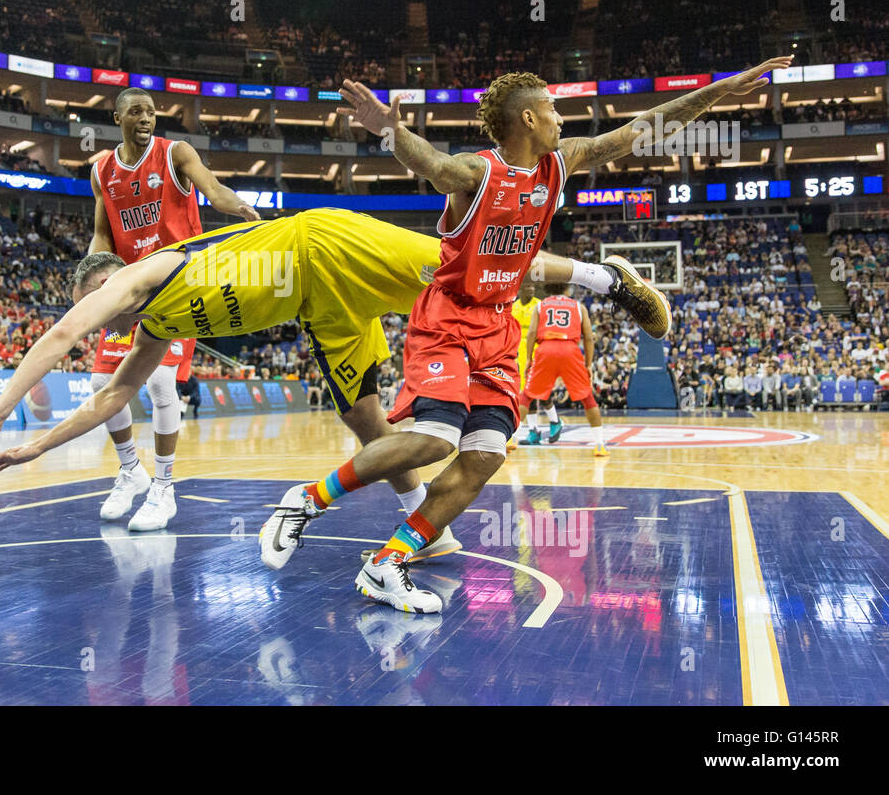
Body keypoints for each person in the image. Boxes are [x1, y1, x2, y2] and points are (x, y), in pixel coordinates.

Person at [255, 56, 784, 614]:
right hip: (447, 319)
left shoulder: (562, 162)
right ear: (528, 119)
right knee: (437, 438)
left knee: (484, 455)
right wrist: (389, 130)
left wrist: (719, 89)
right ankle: (304, 502)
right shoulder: (477, 174)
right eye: (552, 108)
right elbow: (433, 163)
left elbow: (644, 128)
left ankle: (386, 563)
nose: (561, 116)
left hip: (499, 325)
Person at [0, 207, 667, 561]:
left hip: (326, 245)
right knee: (368, 427)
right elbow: (108, 398)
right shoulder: (154, 328)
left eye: (106, 296)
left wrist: (1, 408)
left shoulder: (145, 271)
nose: (112, 309)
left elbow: (65, 333)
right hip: (319, 308)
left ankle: (607, 279)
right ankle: (426, 533)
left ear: (107, 280)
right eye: (110, 304)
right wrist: (34, 448)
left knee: (472, 269)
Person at [86, 87, 259, 530]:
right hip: (130, 287)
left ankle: (164, 487)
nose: (146, 118)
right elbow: (103, 235)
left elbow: (214, 188)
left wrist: (237, 206)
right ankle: (130, 471)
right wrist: (92, 278)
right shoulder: (102, 169)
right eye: (136, 111)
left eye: (151, 112)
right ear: (118, 116)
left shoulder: (175, 152)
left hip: (180, 284)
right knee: (100, 382)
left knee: (160, 383)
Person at [519, 284, 608, 455]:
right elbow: (589, 337)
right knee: (587, 397)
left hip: (545, 348)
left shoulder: (541, 305)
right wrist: (588, 364)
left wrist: (529, 358)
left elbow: (531, 333)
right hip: (570, 349)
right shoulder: (579, 306)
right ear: (567, 290)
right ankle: (599, 444)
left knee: (528, 395)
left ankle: (511, 438)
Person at [507, 280, 543, 451]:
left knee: (530, 393)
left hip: (535, 351)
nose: (531, 289)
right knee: (524, 393)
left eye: (533, 287)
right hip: (516, 351)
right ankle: (534, 430)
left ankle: (519, 433)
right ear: (520, 290)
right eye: (528, 286)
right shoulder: (514, 306)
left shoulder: (539, 305)